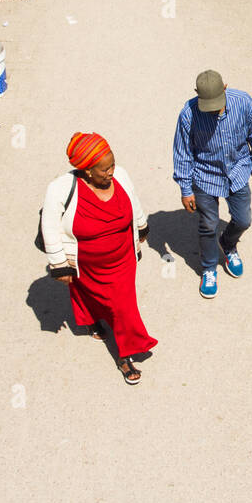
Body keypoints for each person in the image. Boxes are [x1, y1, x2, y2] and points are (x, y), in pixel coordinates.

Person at [41, 132, 157, 385]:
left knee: (122, 306)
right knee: (88, 293)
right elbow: (49, 226)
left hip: (123, 259)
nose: (111, 172)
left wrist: (142, 227)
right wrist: (59, 265)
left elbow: (134, 202)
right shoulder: (60, 188)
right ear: (87, 171)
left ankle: (125, 354)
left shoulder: (121, 176)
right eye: (104, 170)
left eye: (112, 165)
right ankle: (94, 322)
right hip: (86, 264)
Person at [171, 69, 252, 299]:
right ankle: (208, 268)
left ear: (225, 88)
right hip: (204, 175)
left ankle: (228, 244)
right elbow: (182, 153)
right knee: (209, 224)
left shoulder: (243, 102)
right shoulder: (188, 114)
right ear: (197, 94)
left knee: (244, 219)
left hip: (237, 170)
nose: (215, 109)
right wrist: (186, 189)